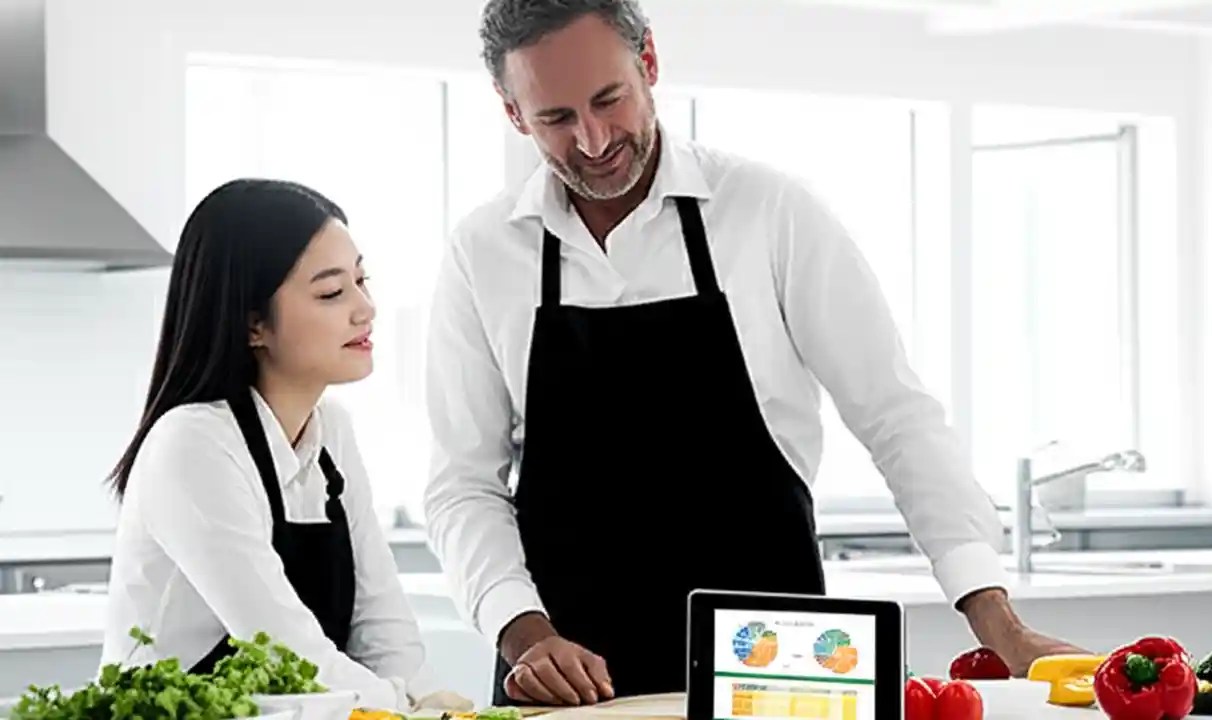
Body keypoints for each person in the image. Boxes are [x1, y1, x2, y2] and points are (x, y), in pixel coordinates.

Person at [423, 0, 1086, 707]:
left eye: (608, 100)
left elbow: (896, 418)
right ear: (513, 112)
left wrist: (996, 619)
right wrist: (524, 634)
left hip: (775, 661)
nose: (591, 140)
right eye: (556, 118)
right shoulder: (483, 251)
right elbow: (462, 483)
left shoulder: (770, 212)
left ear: (648, 63)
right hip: (570, 676)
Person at [103, 179, 467, 713]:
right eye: (331, 293)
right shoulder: (193, 444)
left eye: (362, 280)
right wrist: (409, 708)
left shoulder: (332, 431)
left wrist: (424, 692)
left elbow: (383, 626)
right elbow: (281, 647)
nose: (365, 308)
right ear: (254, 324)